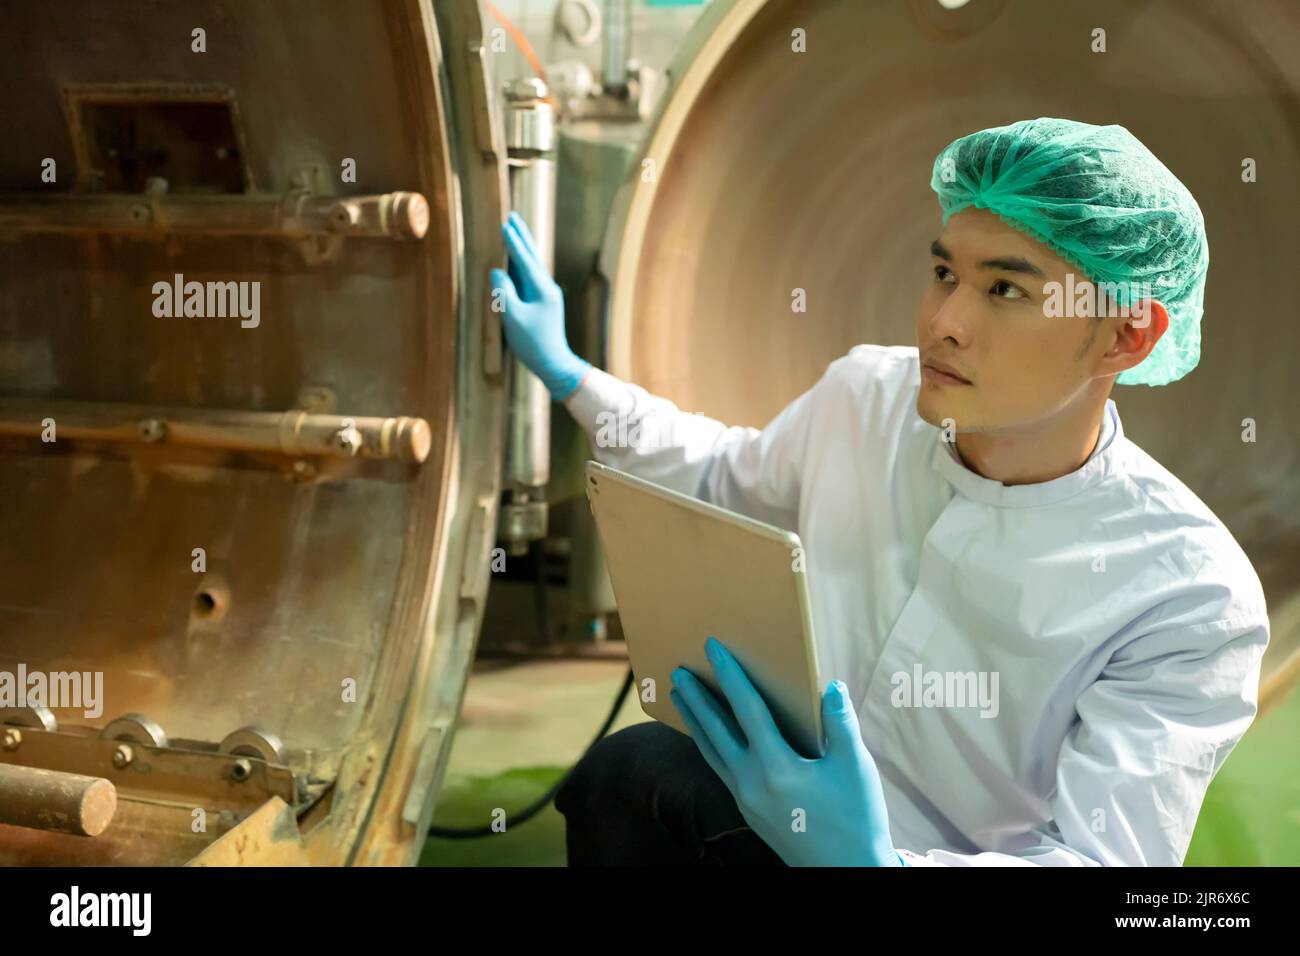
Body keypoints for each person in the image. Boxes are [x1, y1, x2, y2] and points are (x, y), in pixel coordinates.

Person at [490, 118, 1270, 866]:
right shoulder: (868, 397)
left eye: (1005, 290)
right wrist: (571, 375)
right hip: (780, 837)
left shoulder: (1187, 595)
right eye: (944, 275)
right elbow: (725, 476)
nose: (944, 322)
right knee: (637, 775)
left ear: (1127, 336)